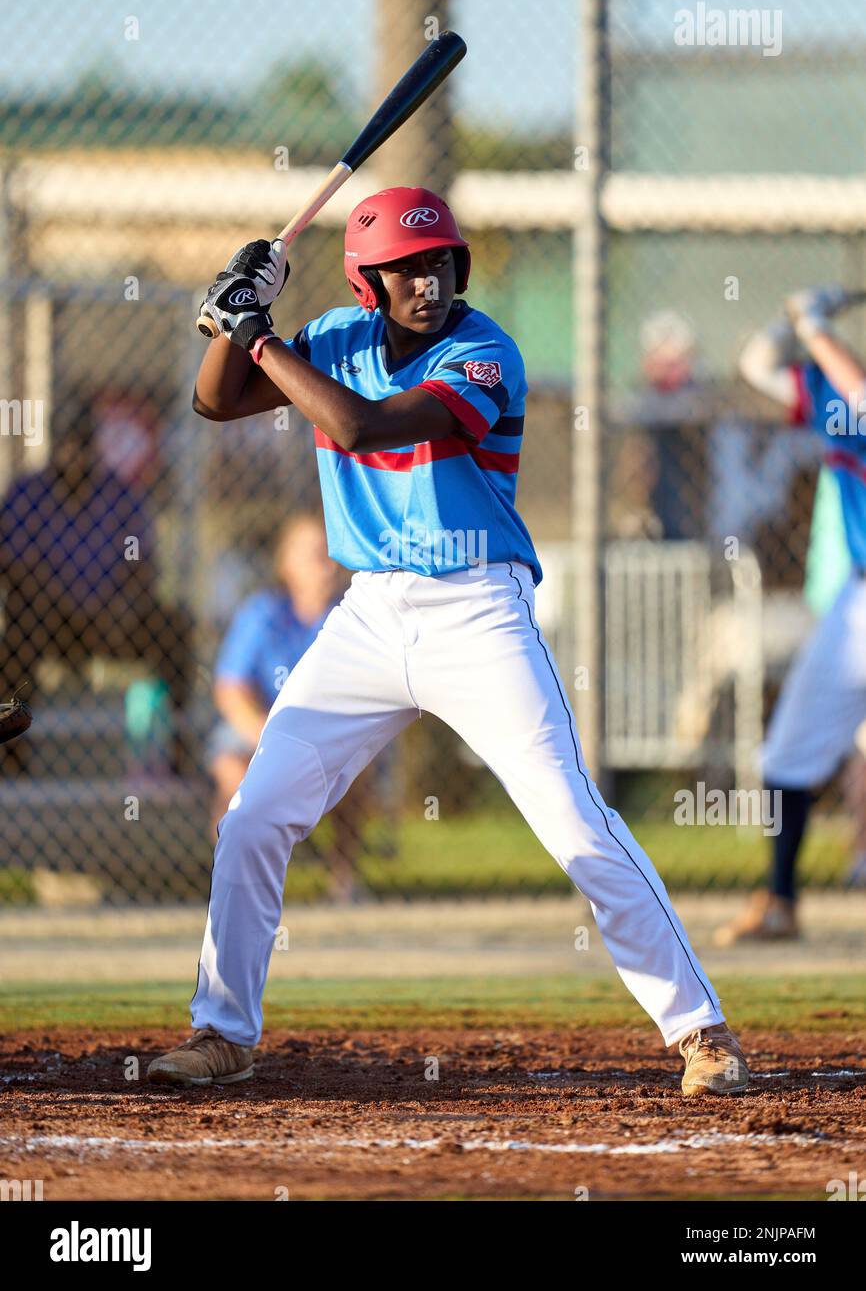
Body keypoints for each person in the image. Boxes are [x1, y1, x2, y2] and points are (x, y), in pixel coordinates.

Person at [146, 187, 748, 1095]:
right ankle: (223, 1031)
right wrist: (238, 314)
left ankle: (701, 1030)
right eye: (404, 269)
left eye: (438, 264)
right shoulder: (333, 338)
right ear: (367, 282)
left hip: (478, 609)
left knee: (575, 821)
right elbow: (213, 401)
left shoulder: (483, 352)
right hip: (367, 613)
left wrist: (257, 334)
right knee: (255, 816)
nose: (427, 282)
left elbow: (366, 428)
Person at [716, 287, 866, 944]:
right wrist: (792, 319)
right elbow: (758, 363)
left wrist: (815, 323)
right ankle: (779, 899)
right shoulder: (837, 396)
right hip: (856, 605)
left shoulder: (851, 391)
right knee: (787, 753)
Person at [0, 391, 193, 775]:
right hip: (48, 620)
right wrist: (53, 597)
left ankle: (178, 747)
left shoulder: (118, 493)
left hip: (110, 618)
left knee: (173, 625)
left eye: (82, 444)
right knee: (21, 621)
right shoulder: (28, 492)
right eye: (67, 444)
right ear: (55, 445)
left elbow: (142, 563)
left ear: (94, 446)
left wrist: (125, 601)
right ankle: (13, 754)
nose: (74, 454)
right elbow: (13, 565)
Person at [207, 510, 373, 901]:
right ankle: (234, 885)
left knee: (358, 770)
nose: (327, 565)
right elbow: (230, 690)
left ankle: (343, 879)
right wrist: (271, 740)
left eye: (331, 554)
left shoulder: (349, 616)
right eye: (314, 555)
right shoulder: (261, 613)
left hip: (324, 732)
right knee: (232, 772)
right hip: (260, 728)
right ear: (285, 564)